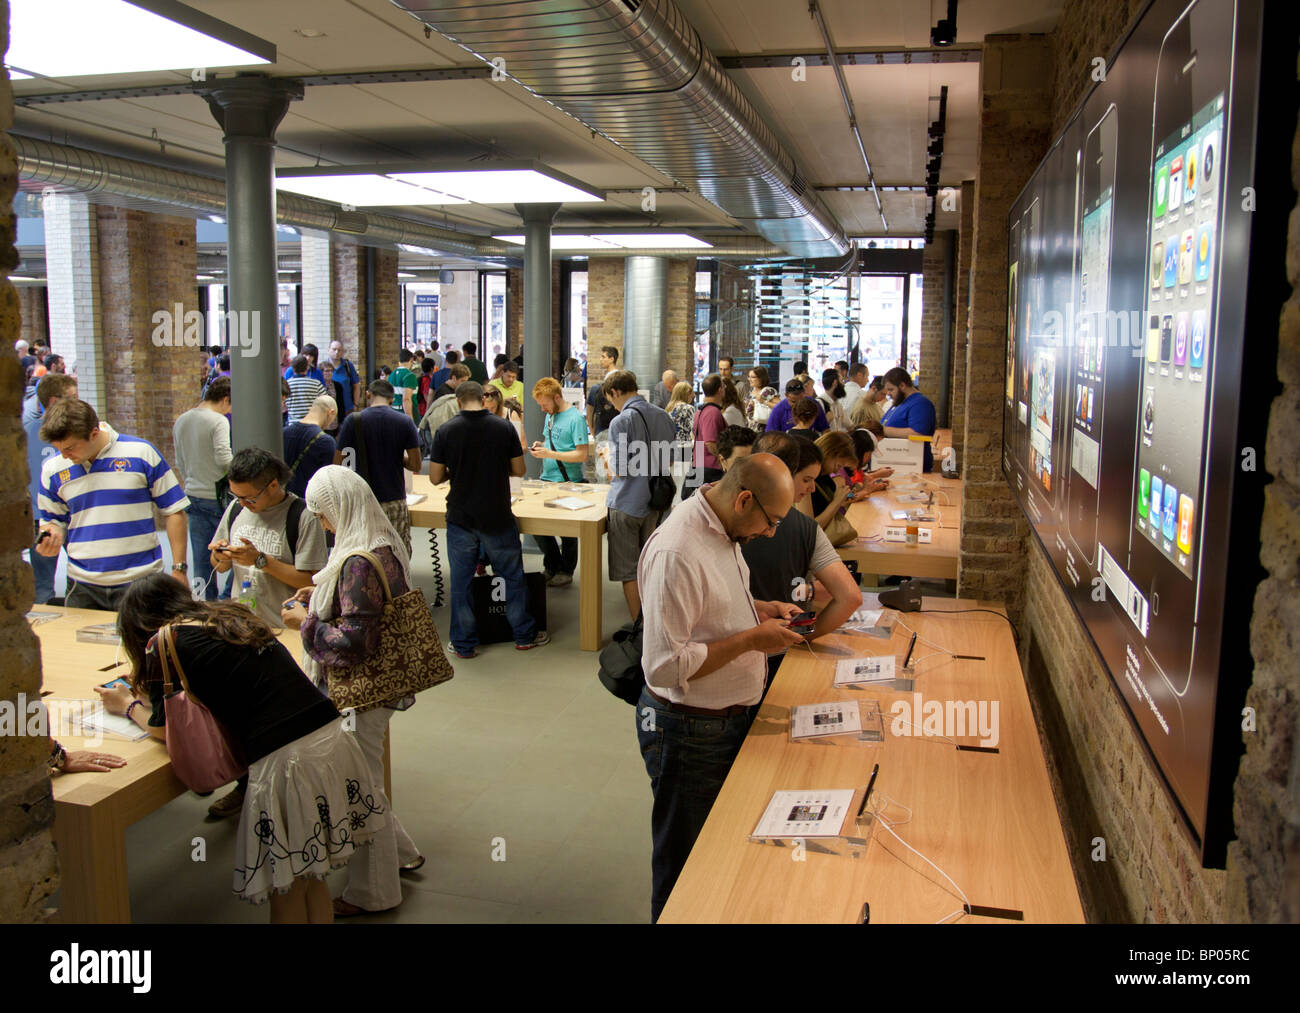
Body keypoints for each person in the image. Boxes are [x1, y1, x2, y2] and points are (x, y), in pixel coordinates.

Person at [98, 573, 377, 922]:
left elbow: (161, 728)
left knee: (286, 886)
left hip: (286, 760)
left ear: (138, 626)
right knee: (311, 875)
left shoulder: (163, 643)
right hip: (330, 736)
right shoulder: (230, 617)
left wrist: (125, 703)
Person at [636, 454, 806, 921]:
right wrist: (752, 638)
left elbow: (710, 604)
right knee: (686, 861)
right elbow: (665, 668)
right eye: (770, 522)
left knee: (717, 849)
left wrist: (760, 608)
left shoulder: (722, 526)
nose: (771, 533)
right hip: (690, 730)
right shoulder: (679, 550)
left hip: (719, 723)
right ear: (744, 498)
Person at [280, 466, 425, 917]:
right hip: (382, 690)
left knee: (361, 791)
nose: (323, 524)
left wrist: (304, 623)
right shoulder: (381, 543)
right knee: (365, 780)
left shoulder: (358, 560)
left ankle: (374, 892)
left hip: (360, 693)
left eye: (324, 514)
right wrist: (324, 590)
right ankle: (402, 853)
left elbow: (355, 641)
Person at [206, 445, 327, 825]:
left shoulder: (302, 516)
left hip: (285, 630)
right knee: (239, 714)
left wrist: (261, 560)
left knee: (285, 718)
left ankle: (294, 794)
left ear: (272, 485)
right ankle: (246, 786)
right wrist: (221, 557)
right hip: (242, 628)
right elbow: (219, 564)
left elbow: (310, 580)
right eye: (236, 495)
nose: (242, 502)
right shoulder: (237, 509)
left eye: (248, 496)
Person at [429, 382, 550, 657]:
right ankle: (524, 635)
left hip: (461, 517)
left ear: (459, 401)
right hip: (497, 514)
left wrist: (456, 471)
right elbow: (519, 470)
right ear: (482, 399)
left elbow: (435, 477)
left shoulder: (446, 431)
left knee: (461, 583)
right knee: (512, 577)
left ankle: (463, 643)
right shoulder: (502, 427)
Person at [37, 399, 189, 610]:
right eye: (59, 449)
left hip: (140, 582)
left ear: (94, 433)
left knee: (143, 642)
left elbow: (174, 511)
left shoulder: (141, 453)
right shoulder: (53, 469)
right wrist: (51, 535)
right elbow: (52, 520)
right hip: (82, 585)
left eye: (70, 448)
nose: (64, 455)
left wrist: (179, 569)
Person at [744, 433, 863, 685]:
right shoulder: (805, 528)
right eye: (806, 479)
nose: (810, 488)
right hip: (779, 656)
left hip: (731, 658)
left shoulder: (719, 520)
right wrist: (803, 635)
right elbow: (850, 596)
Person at [599, 370, 677, 620]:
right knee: (648, 566)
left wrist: (606, 458)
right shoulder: (663, 416)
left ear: (614, 392)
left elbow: (619, 470)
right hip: (655, 502)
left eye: (611, 400)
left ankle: (640, 631)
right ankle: (655, 620)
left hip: (627, 503)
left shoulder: (621, 421)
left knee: (628, 571)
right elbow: (672, 459)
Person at [335, 380, 422, 555]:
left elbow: (337, 464)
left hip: (361, 500)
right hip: (394, 499)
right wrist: (398, 458)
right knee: (398, 553)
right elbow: (415, 464)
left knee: (363, 554)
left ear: (368, 395)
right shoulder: (404, 422)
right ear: (391, 400)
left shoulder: (353, 421)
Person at [172, 377, 233, 601]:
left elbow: (179, 460)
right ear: (225, 399)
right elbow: (224, 458)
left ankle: (205, 605)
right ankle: (227, 600)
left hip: (192, 493)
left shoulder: (182, 420)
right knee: (232, 551)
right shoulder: (218, 421)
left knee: (200, 558)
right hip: (217, 497)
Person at [528, 376, 590, 587]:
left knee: (568, 531)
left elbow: (582, 455)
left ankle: (565, 569)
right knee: (536, 525)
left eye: (544, 404)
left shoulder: (575, 419)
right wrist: (542, 446)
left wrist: (550, 453)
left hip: (569, 481)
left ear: (556, 398)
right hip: (547, 479)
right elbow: (551, 443)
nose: (543, 409)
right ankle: (552, 564)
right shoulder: (551, 416)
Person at [24, 373, 78, 604]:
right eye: (72, 398)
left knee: (82, 577)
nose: (78, 402)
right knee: (43, 584)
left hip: (76, 515)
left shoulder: (81, 432)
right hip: (42, 518)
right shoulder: (26, 434)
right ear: (55, 402)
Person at [806, 431, 889, 534]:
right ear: (830, 454)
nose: (837, 471)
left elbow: (840, 499)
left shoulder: (824, 476)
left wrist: (847, 496)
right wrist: (838, 501)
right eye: (838, 465)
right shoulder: (810, 482)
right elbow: (809, 529)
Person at [880, 367, 938, 472]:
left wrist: (884, 430)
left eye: (891, 389)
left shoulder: (920, 404)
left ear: (902, 385)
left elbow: (918, 433)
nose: (888, 394)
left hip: (912, 465)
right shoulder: (900, 402)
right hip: (894, 461)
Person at [283, 394, 339, 498]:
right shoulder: (326, 441)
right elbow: (328, 481)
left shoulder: (284, 432)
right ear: (330, 413)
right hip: (308, 502)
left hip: (284, 499)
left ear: (311, 409)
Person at [689, 373, 729, 491]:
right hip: (710, 469)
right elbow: (710, 442)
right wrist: (723, 461)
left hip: (701, 465)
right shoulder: (712, 412)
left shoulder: (701, 411)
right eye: (724, 387)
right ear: (720, 390)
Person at [419, 362, 470, 443]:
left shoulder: (454, 390)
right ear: (454, 378)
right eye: (462, 381)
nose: (465, 384)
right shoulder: (444, 394)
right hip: (435, 432)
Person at [765, 377, 829, 433]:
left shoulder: (813, 405)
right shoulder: (778, 410)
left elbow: (825, 429)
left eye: (801, 401)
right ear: (786, 396)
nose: (798, 406)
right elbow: (770, 435)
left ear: (804, 394)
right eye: (793, 402)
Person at [325, 339, 362, 429]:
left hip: (347, 408)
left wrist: (356, 404)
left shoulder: (347, 365)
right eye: (334, 349)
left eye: (339, 350)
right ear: (328, 350)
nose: (337, 352)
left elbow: (356, 385)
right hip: (329, 410)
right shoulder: (324, 366)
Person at [585, 345, 619, 437]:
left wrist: (593, 432)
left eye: (603, 357)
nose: (600, 359)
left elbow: (590, 411)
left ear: (611, 359)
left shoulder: (598, 388)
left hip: (605, 428)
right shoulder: (619, 380)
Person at [285, 355, 325, 423]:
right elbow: (325, 402)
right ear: (307, 367)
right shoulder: (316, 384)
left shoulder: (287, 385)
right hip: (312, 423)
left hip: (293, 424)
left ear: (292, 368)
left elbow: (283, 404)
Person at [388, 347, 420, 424]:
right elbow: (406, 399)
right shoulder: (409, 376)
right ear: (411, 359)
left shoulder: (391, 375)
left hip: (394, 412)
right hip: (406, 412)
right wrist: (410, 420)